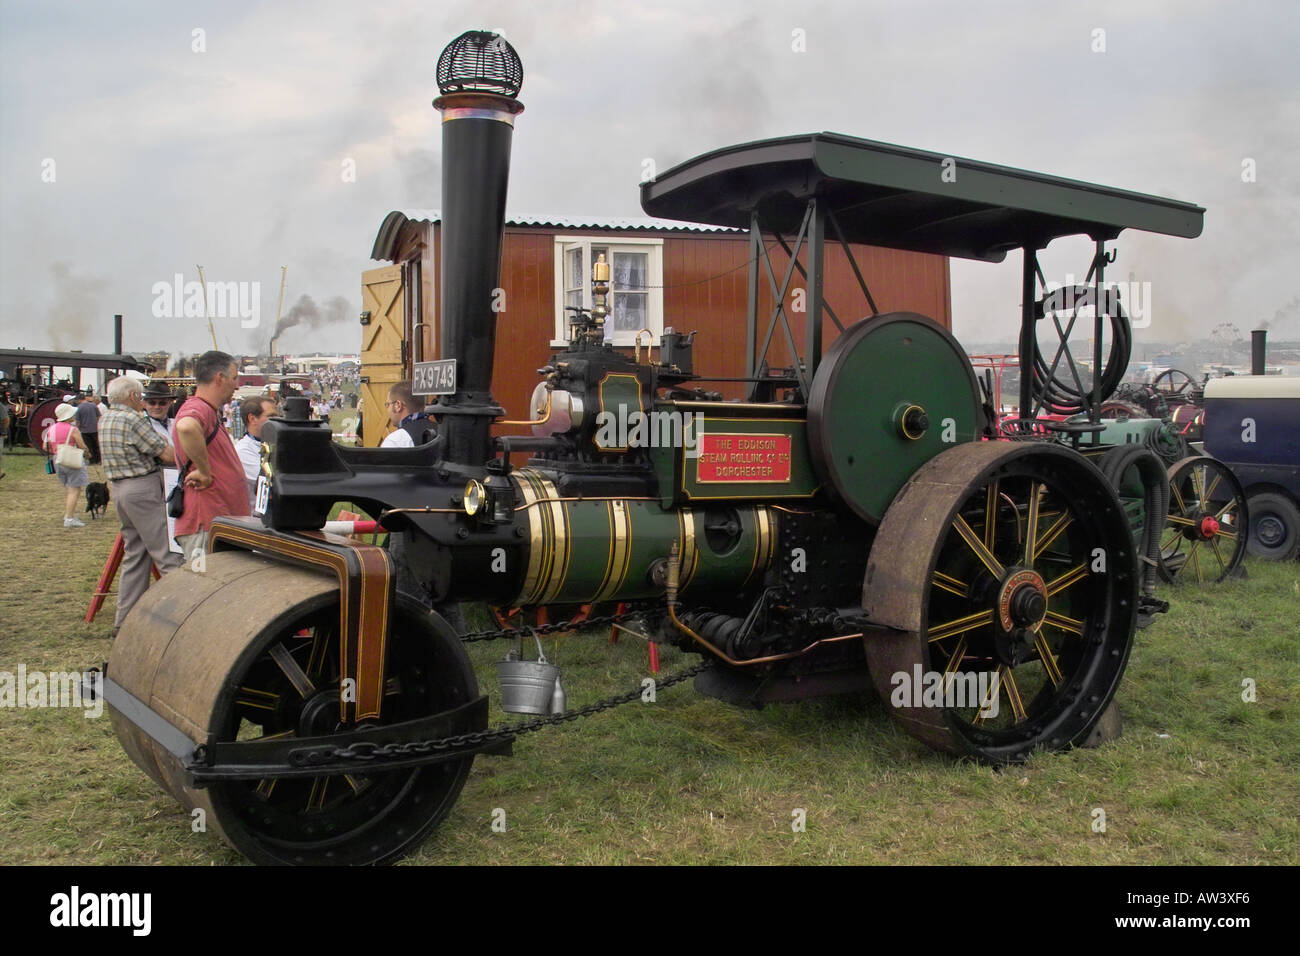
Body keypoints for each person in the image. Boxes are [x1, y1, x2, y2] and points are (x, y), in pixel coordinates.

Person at [100, 377, 184, 636]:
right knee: (168, 555)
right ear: (134, 396)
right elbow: (167, 455)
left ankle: (124, 621)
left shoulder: (107, 418)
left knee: (136, 556)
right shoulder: (133, 419)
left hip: (121, 489)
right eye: (142, 396)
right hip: (143, 487)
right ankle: (180, 618)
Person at [172, 351, 250, 562]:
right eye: (234, 378)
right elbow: (186, 427)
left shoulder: (206, 410)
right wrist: (205, 472)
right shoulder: (197, 407)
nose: (236, 385)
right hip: (207, 522)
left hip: (216, 522)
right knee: (208, 590)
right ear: (219, 378)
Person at [44, 402, 91, 527]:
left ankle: (69, 515)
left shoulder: (51, 428)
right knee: (74, 489)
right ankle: (69, 518)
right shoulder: (72, 429)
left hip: (57, 458)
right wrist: (87, 453)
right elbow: (82, 445)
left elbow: (46, 446)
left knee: (70, 488)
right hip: (71, 459)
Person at [235, 395, 277, 511]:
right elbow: (274, 480)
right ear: (252, 419)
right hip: (256, 521)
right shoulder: (243, 451)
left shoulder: (272, 444)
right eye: (271, 416)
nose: (277, 420)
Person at [379, 380, 435, 448]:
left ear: (398, 405)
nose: (387, 410)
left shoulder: (395, 441)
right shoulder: (440, 431)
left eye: (387, 405)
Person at [74, 392, 102, 465]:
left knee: (88, 446)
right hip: (95, 429)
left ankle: (92, 460)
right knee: (96, 445)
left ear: (79, 400)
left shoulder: (79, 408)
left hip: (85, 430)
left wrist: (78, 428)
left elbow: (78, 421)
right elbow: (99, 416)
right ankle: (98, 459)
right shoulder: (93, 405)